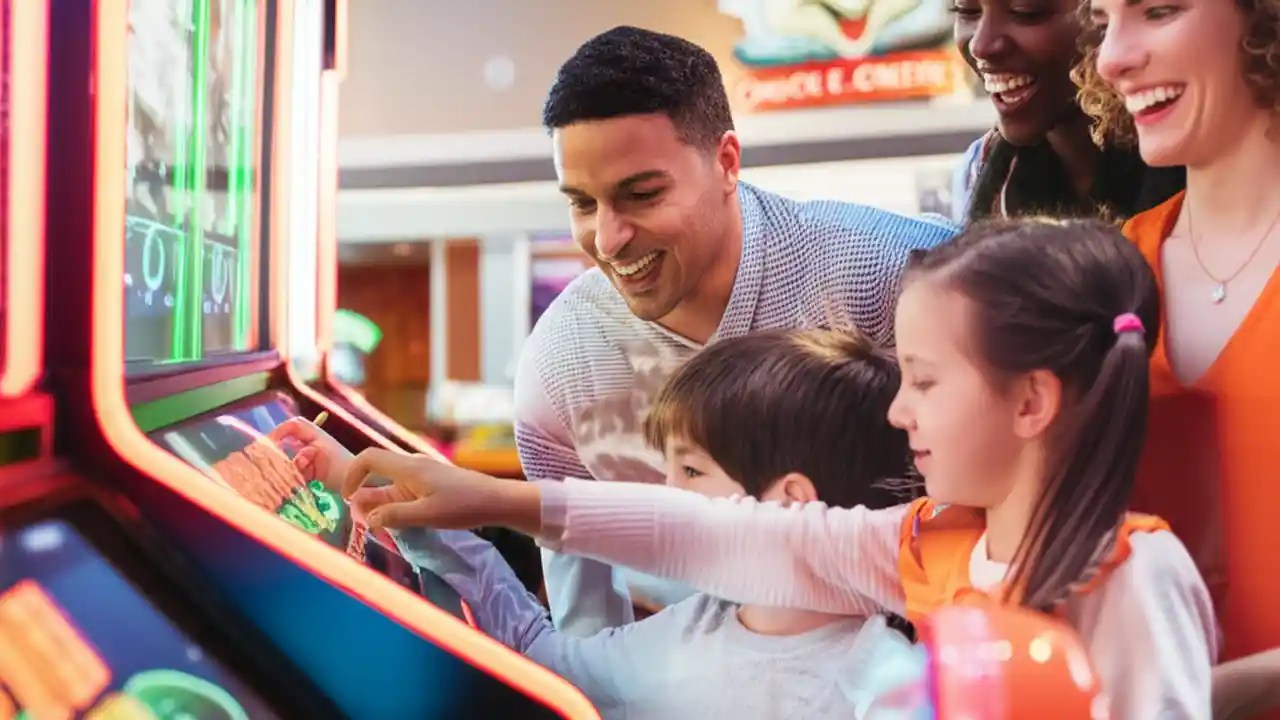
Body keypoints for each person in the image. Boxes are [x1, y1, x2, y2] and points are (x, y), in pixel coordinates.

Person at [337, 219, 1219, 718]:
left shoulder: (1132, 577)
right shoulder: (925, 546)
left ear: (1029, 403)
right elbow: (720, 534)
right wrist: (490, 499)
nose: (900, 409)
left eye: (925, 381)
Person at [512, 25, 957, 635]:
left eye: (641, 194)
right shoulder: (561, 366)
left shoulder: (883, 276)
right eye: (583, 205)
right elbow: (586, 624)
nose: (608, 239)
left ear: (726, 162)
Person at [377, 329, 917, 719]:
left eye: (691, 471)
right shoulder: (697, 626)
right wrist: (420, 526)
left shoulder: (886, 680)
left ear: (790, 503)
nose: (669, 496)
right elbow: (543, 660)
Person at [1074, 0, 1280, 715]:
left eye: (1159, 11)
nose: (1112, 57)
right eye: (1105, 21)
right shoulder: (1101, 277)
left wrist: (1195, 698)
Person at [947, 0, 1184, 222]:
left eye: (1025, 11)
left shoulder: (1202, 172)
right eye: (966, 11)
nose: (981, 46)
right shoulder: (980, 171)